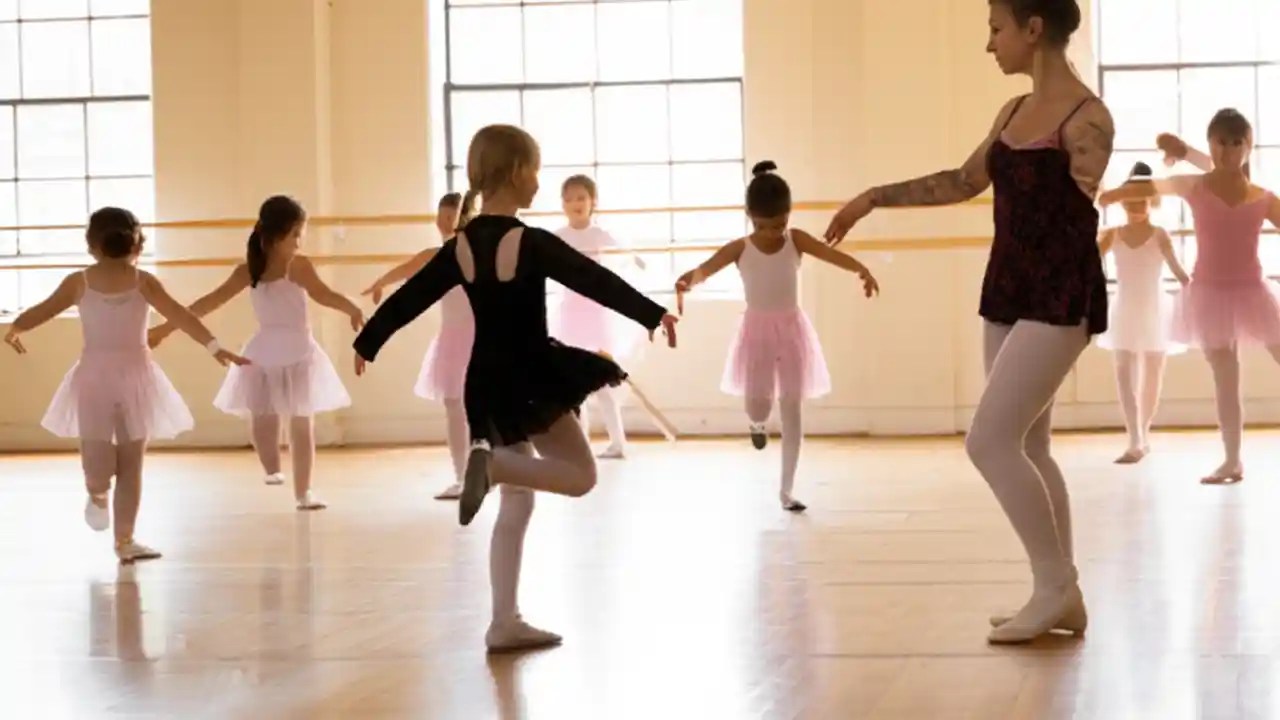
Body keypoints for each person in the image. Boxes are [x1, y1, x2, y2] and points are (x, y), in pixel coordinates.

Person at [824, 0, 1113, 644]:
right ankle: (1063, 592)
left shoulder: (1088, 119)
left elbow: (1074, 216)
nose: (990, 45)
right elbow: (962, 180)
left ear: (1033, 29)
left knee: (988, 440)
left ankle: (1051, 585)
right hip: (1006, 291)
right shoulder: (1010, 113)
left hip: (1059, 298)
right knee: (1030, 446)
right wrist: (874, 197)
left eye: (995, 29)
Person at [352, 124, 678, 652]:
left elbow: (409, 298)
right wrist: (651, 313)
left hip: (485, 379)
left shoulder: (458, 246)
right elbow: (591, 280)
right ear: (517, 172)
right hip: (531, 374)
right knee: (580, 476)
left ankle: (503, 619)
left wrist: (369, 341)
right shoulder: (529, 241)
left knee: (518, 502)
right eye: (536, 172)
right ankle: (496, 468)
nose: (539, 184)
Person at [3, 207, 249, 562]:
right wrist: (18, 326)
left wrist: (213, 345)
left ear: (92, 244)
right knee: (99, 464)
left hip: (136, 376)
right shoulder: (80, 282)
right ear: (137, 243)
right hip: (95, 378)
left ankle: (125, 541)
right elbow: (47, 309)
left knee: (132, 462)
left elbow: (179, 314)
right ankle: (98, 493)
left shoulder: (143, 281)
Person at [675, 161, 878, 511]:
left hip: (791, 332)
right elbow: (706, 269)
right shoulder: (740, 248)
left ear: (789, 215)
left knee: (792, 408)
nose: (772, 232)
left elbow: (830, 254)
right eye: (763, 226)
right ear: (750, 217)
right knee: (759, 404)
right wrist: (686, 282)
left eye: (779, 224)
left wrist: (860, 268)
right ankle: (756, 424)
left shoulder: (795, 240)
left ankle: (786, 490)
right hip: (756, 334)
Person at [150, 196, 363, 510]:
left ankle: (301, 490)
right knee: (265, 415)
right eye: (296, 235)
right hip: (270, 348)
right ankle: (272, 468)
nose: (299, 242)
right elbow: (207, 303)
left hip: (295, 349)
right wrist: (164, 330)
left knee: (300, 422)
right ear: (278, 235)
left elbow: (323, 294)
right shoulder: (251, 270)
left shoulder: (296, 265)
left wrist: (352, 308)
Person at [1101, 111, 1280, 484]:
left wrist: (1183, 151)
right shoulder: (1194, 186)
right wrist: (1117, 193)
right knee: (1225, 378)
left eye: (1237, 143)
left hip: (1252, 292)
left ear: (1249, 148)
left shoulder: (1263, 197)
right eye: (1221, 142)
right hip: (1209, 294)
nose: (1228, 151)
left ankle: (1232, 460)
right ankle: (1232, 460)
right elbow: (1153, 187)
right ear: (1211, 143)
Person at [362, 192, 473, 500]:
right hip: (451, 341)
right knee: (454, 406)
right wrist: (381, 282)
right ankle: (462, 475)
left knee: (483, 406)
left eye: (451, 217)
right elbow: (408, 268)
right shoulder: (435, 255)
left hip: (480, 338)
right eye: (441, 217)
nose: (444, 223)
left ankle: (492, 470)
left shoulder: (478, 256)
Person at [1095, 161, 1189, 463]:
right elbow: (1087, 263)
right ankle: (1134, 436)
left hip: (1155, 308)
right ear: (1121, 202)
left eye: (1142, 200)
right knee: (1123, 373)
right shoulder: (1113, 235)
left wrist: (1198, 290)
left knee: (1152, 374)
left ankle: (1142, 435)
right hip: (1124, 307)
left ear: (1152, 202)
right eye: (1130, 201)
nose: (1135, 206)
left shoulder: (1160, 234)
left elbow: (1179, 271)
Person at [551, 174, 647, 460]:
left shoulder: (599, 234)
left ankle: (618, 442)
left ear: (593, 202)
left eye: (581, 197)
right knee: (572, 384)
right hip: (569, 315)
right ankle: (580, 444)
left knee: (603, 382)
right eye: (569, 199)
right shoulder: (558, 237)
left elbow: (624, 252)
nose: (575, 204)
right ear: (562, 204)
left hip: (596, 315)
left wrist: (636, 259)